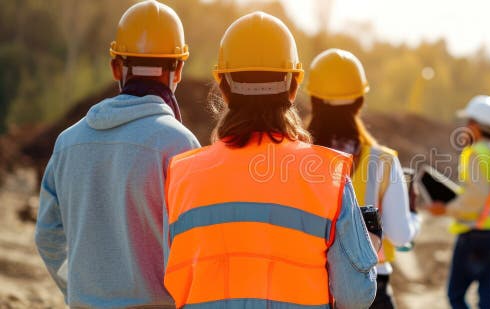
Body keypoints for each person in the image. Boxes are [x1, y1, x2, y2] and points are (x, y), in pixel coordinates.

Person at [163, 12, 378, 308]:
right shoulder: (328, 176)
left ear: (223, 88)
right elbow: (355, 297)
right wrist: (370, 246)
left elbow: (171, 280)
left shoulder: (183, 175)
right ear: (293, 87)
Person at [34, 1, 199, 307]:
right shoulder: (180, 145)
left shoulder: (67, 143)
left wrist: (82, 291)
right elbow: (194, 248)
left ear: (115, 67)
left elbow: (47, 236)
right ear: (178, 70)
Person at [306, 48, 420, 309]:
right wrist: (414, 216)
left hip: (311, 289)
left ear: (313, 99)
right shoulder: (384, 162)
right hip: (371, 288)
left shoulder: (292, 160)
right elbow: (400, 236)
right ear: (359, 101)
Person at [429, 95, 490, 309]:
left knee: (456, 296)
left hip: (475, 234)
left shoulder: (477, 153)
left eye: (468, 123)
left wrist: (446, 209)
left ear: (475, 125)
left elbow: (475, 198)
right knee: (487, 299)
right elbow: (486, 194)